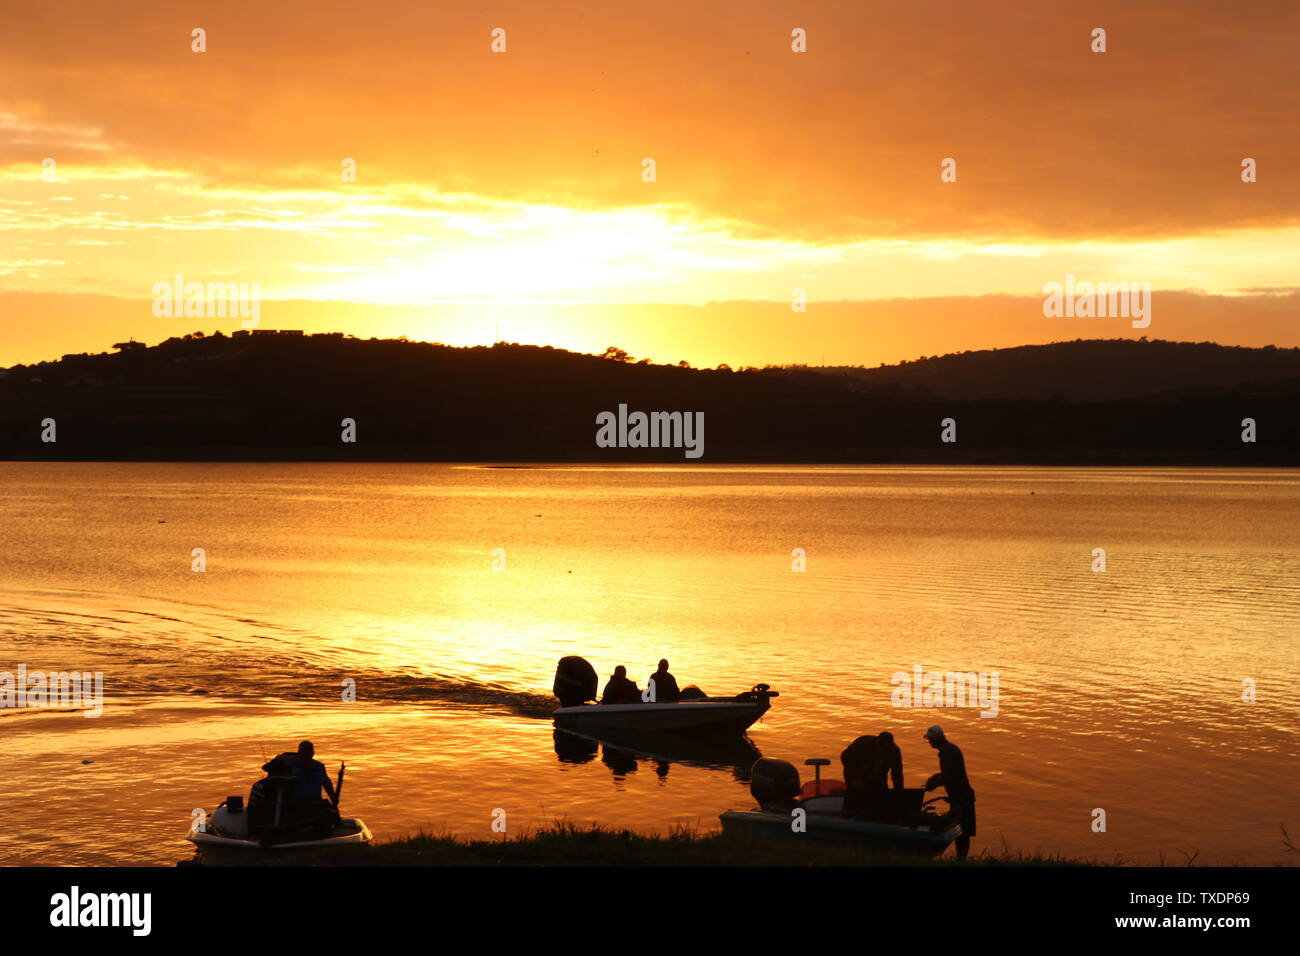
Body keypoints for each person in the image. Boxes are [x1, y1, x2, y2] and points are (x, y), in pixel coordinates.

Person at [922, 725, 976, 859]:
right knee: (961, 829)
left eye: (930, 739)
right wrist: (936, 777)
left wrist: (933, 785)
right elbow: (949, 772)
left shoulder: (946, 752)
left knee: (962, 830)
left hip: (961, 796)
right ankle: (960, 859)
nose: (929, 742)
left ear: (935, 740)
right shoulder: (949, 749)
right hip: (958, 796)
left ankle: (961, 859)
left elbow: (948, 776)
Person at [840, 731, 904, 819]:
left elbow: (897, 775)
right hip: (856, 770)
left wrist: (899, 794)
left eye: (888, 749)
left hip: (880, 774)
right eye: (883, 749)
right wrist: (855, 777)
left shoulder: (894, 752)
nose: (885, 752)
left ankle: (877, 816)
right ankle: (849, 814)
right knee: (855, 794)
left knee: (881, 795)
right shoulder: (862, 744)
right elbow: (845, 757)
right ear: (877, 743)